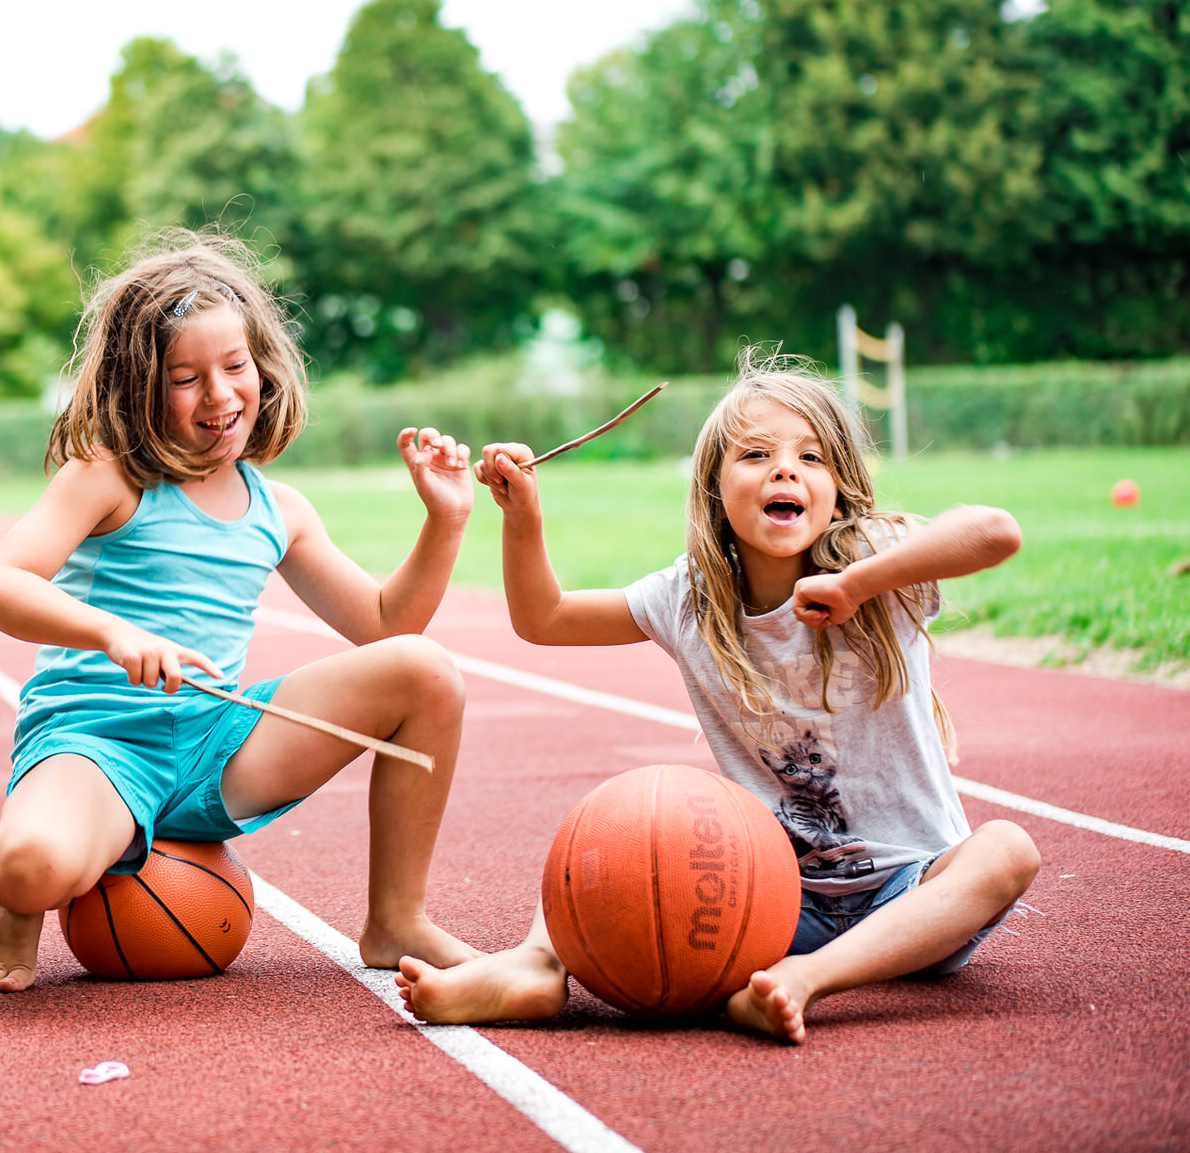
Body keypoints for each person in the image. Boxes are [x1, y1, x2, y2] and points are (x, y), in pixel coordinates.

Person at [396, 353, 1038, 1043]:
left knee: (1006, 849)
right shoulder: (691, 598)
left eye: (811, 457)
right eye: (756, 453)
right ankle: (535, 964)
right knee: (629, 821)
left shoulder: (875, 559)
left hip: (915, 899)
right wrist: (522, 515)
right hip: (772, 900)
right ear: (713, 489)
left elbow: (997, 530)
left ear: (840, 486)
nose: (785, 469)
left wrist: (861, 583)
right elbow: (544, 619)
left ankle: (806, 980)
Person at [0, 231, 481, 993]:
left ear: (262, 366)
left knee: (426, 671)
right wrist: (112, 630)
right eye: (186, 377)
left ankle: (396, 919)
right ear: (140, 385)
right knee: (30, 867)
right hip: (102, 744)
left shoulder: (281, 509)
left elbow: (385, 625)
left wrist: (446, 521)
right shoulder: (108, 474)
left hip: (220, 746)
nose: (219, 394)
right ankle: (19, 868)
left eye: (235, 366)